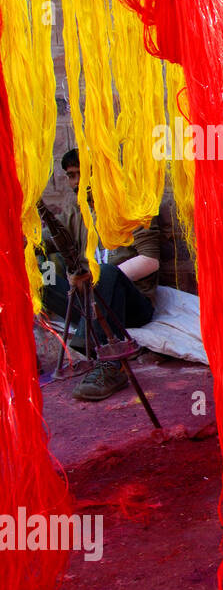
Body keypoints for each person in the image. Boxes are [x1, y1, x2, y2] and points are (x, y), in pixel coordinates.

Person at [42, 148, 160, 401]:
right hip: (87, 306)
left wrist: (96, 279)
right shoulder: (77, 211)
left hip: (130, 307)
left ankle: (109, 366)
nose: (76, 183)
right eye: (71, 176)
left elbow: (150, 261)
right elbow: (43, 243)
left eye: (83, 175)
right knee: (40, 272)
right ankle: (90, 334)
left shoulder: (134, 204)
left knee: (104, 272)